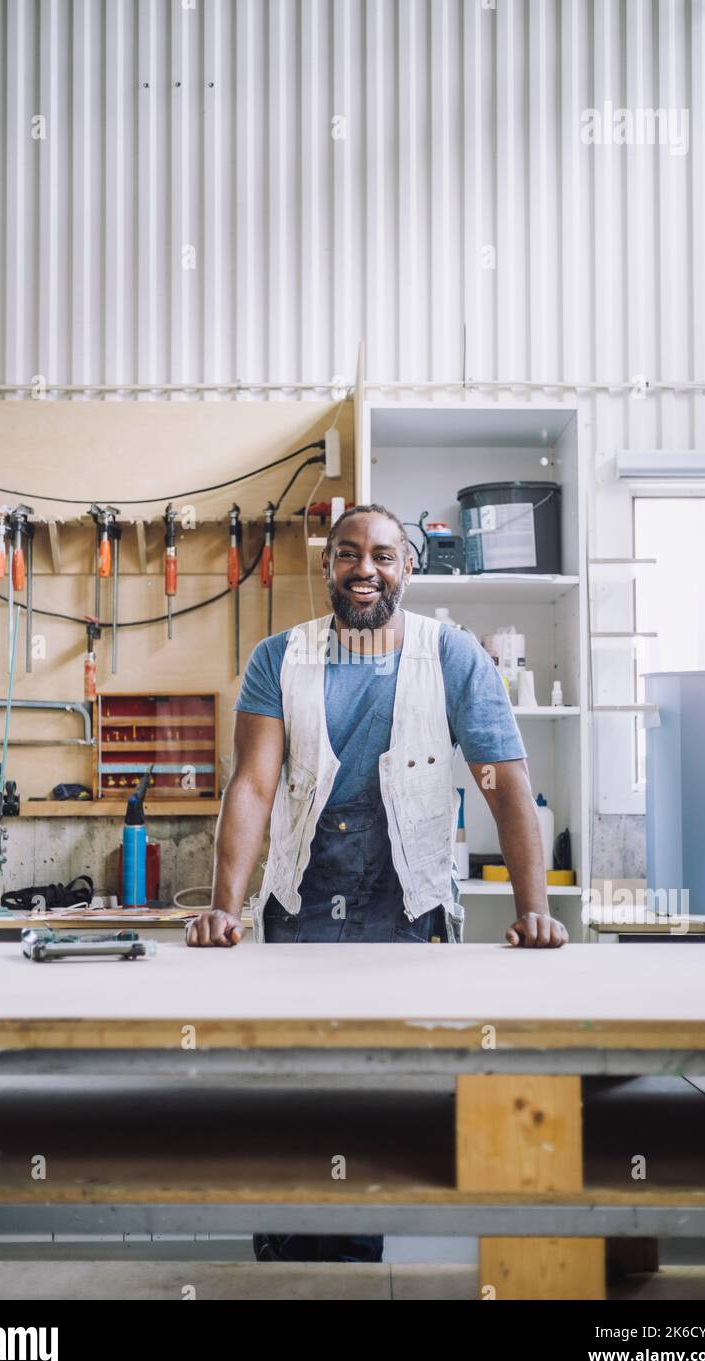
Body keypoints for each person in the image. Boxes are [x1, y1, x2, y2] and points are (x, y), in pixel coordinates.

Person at [184, 503, 567, 1262]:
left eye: (385, 556)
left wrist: (536, 912)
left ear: (408, 567)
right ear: (327, 566)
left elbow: (506, 788)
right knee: (292, 1108)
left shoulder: (454, 657)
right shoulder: (278, 659)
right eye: (350, 555)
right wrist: (223, 910)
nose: (367, 570)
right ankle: (287, 1268)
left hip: (404, 914)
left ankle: (346, 1272)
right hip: (297, 915)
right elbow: (254, 788)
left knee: (367, 1112)